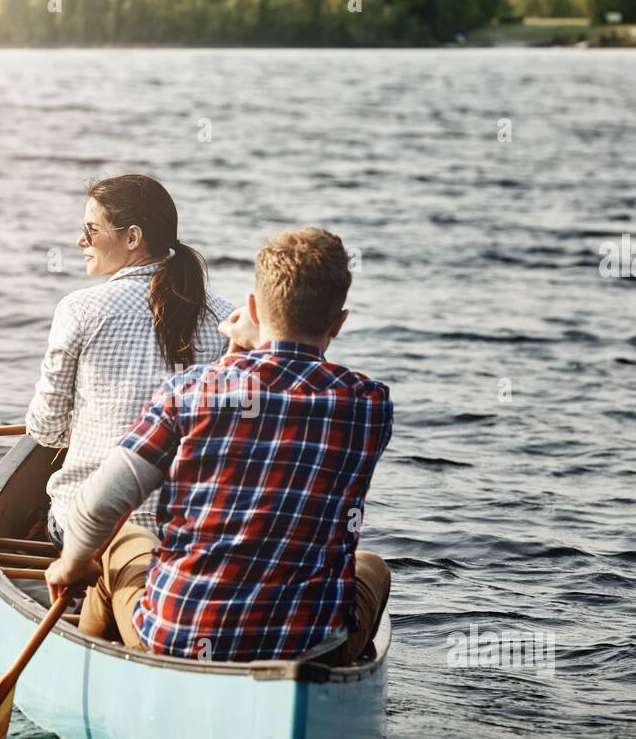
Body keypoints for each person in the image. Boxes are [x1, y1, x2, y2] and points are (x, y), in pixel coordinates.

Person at [44, 228, 393, 665]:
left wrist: (71, 565)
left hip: (182, 637)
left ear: (252, 307)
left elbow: (99, 504)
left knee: (118, 538)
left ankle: (86, 663)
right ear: (339, 322)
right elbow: (277, 426)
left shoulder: (191, 392)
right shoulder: (369, 403)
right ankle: (332, 683)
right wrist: (250, 352)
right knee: (372, 567)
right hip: (309, 649)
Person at [25, 174, 234, 545]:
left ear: (133, 237)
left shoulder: (79, 310)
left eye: (91, 231)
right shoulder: (225, 320)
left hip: (87, 528)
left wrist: (82, 427)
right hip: (182, 532)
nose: (80, 241)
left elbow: (44, 429)